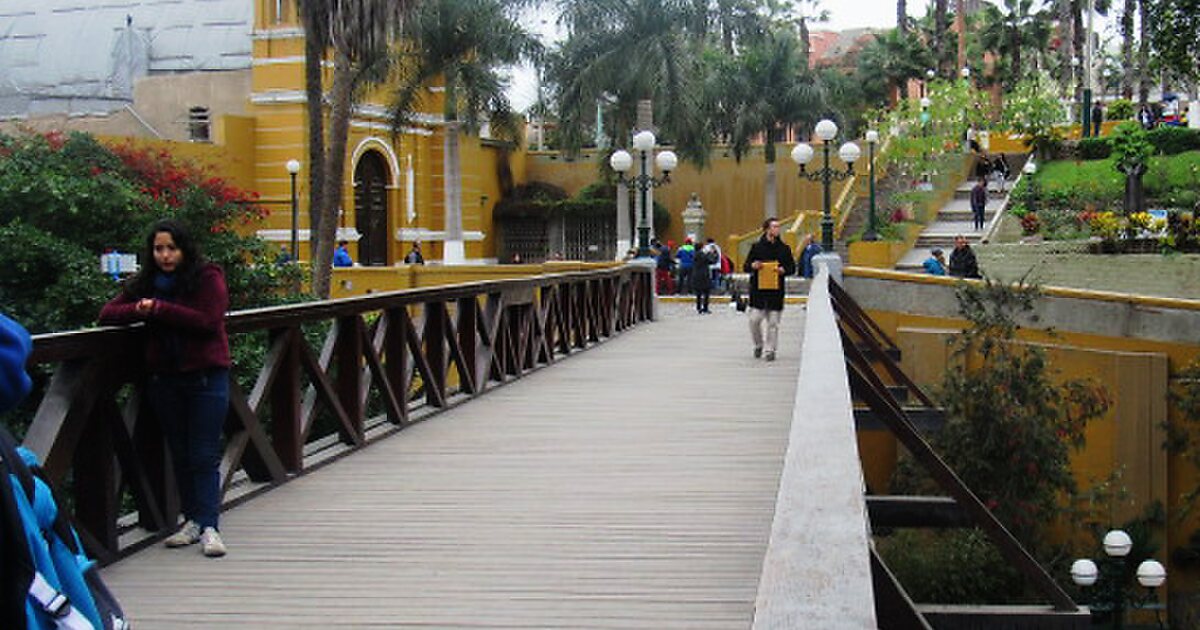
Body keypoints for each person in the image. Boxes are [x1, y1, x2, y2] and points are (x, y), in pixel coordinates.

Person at [98, 219, 230, 558]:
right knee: (181, 453)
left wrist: (157, 309)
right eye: (159, 249)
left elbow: (208, 319)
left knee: (203, 453)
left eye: (171, 248)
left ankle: (210, 525)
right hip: (165, 379)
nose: (165, 255)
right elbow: (108, 313)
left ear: (184, 249)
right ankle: (193, 521)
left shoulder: (206, 276)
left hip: (206, 377)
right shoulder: (146, 283)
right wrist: (140, 308)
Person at [743, 217, 796, 362]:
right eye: (774, 227)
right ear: (767, 229)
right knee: (754, 320)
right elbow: (746, 266)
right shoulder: (756, 247)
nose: (777, 229)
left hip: (776, 290)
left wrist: (783, 270)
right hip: (758, 291)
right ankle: (758, 344)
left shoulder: (784, 249)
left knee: (773, 323)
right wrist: (753, 266)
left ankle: (770, 350)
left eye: (778, 227)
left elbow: (792, 268)